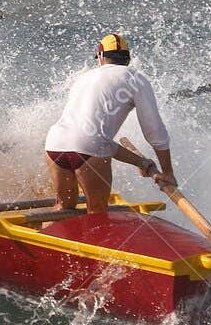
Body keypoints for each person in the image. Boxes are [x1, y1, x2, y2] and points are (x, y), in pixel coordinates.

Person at [43, 33, 176, 215]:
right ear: (128, 59)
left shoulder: (84, 78)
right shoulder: (136, 78)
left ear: (101, 57)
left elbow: (91, 138)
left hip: (54, 143)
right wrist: (167, 172)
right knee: (97, 213)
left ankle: (51, 234)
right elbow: (154, 130)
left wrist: (140, 162)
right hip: (89, 149)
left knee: (63, 208)